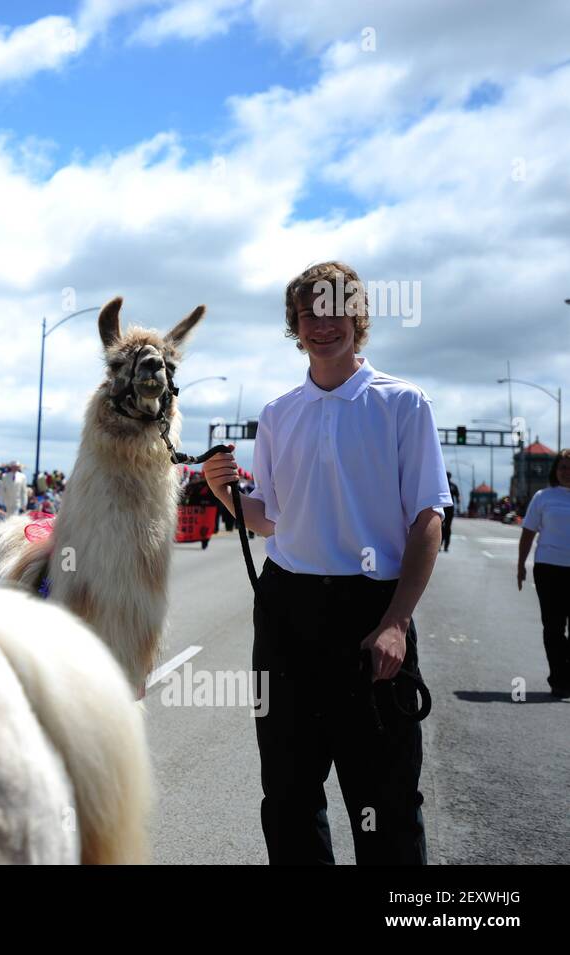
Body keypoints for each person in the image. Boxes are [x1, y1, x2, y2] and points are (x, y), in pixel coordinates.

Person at [204, 261, 450, 866]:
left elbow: (427, 521)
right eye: (309, 312)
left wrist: (395, 622)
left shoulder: (402, 403)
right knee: (287, 795)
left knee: (385, 803)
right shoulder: (278, 412)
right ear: (295, 325)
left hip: (371, 613)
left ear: (358, 319)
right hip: (287, 611)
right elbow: (271, 518)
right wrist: (222, 491)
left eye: (335, 309)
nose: (322, 323)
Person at [517, 448, 570, 696]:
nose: (566, 472)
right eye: (562, 467)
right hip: (549, 569)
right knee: (553, 626)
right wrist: (520, 565)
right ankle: (559, 679)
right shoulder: (543, 497)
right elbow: (528, 532)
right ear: (555, 470)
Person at [441, 471, 460, 551]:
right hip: (449, 508)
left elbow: (458, 498)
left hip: (444, 508)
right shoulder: (453, 486)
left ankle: (441, 545)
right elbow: (458, 498)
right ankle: (445, 546)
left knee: (442, 527)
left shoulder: (441, 485)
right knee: (447, 527)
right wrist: (458, 505)